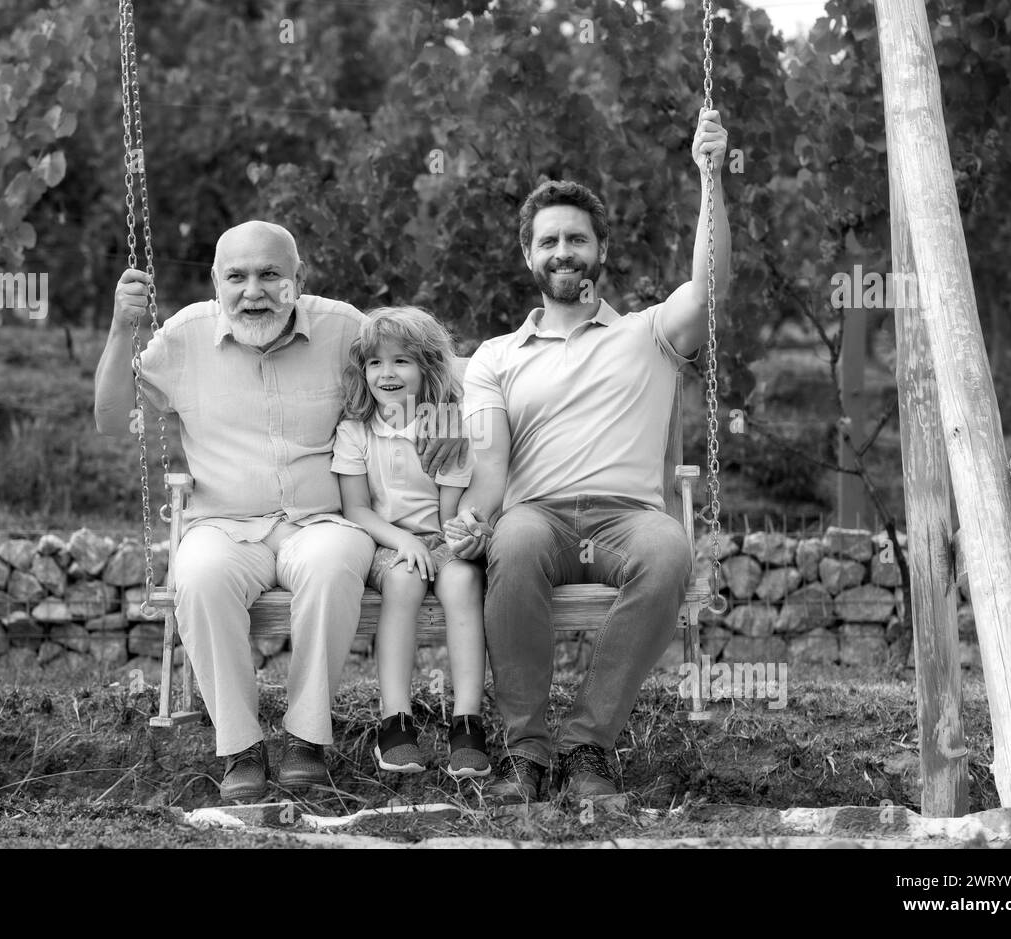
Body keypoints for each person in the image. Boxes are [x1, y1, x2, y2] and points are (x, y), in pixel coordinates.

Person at [93, 221, 465, 803]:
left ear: (298, 279)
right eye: (236, 277)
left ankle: (304, 739)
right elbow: (111, 419)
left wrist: (452, 423)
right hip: (223, 525)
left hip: (321, 522)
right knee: (197, 575)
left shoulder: (344, 327)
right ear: (216, 282)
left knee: (336, 560)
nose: (253, 291)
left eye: (270, 274)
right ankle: (240, 747)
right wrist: (121, 328)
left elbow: (424, 359)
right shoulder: (184, 337)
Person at [447, 109, 732, 803]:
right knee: (509, 540)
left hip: (626, 518)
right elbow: (488, 463)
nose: (564, 249)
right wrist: (471, 517)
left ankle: (586, 744)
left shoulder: (649, 333)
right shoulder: (494, 358)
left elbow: (711, 285)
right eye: (549, 240)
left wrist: (711, 176)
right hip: (536, 517)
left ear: (601, 250)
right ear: (529, 257)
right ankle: (526, 752)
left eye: (577, 237)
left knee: (668, 551)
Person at [332, 307, 490, 779]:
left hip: (439, 538)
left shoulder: (447, 430)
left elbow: (448, 512)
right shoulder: (356, 431)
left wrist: (460, 537)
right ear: (363, 371)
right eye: (375, 362)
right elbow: (356, 509)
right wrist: (404, 541)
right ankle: (395, 722)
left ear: (427, 369)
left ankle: (467, 722)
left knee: (463, 582)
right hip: (386, 542)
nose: (387, 373)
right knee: (402, 583)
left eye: (402, 361)